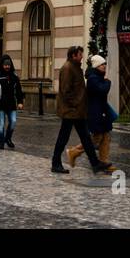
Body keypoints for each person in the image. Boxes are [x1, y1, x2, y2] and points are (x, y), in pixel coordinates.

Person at [51, 45, 112, 175]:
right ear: (73, 55)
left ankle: (95, 164)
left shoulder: (75, 67)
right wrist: (75, 104)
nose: (82, 57)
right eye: (79, 54)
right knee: (63, 138)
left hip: (77, 111)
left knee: (85, 138)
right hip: (71, 111)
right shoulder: (68, 68)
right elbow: (66, 91)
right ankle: (55, 163)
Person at [68, 55, 112, 167]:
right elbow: (103, 90)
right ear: (96, 66)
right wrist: (108, 82)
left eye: (105, 64)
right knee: (96, 137)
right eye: (102, 64)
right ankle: (74, 152)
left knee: (106, 136)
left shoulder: (99, 77)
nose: (104, 66)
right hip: (95, 112)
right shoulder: (93, 78)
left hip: (102, 111)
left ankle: (104, 161)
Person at [0, 55, 24, 150]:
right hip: (0, 104)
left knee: (13, 122)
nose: (7, 67)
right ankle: (1, 142)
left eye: (8, 65)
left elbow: (19, 90)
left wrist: (20, 101)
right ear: (2, 65)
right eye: (5, 65)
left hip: (11, 104)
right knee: (1, 125)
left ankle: (8, 138)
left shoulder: (14, 76)